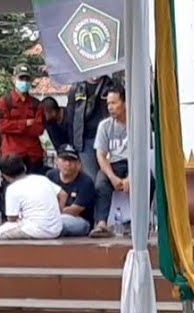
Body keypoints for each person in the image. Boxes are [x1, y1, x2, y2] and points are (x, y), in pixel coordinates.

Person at [0, 154, 64, 241]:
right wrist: (58, 212)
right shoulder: (42, 179)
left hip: (37, 230)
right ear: (25, 167)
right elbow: (63, 194)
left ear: (4, 175)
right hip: (57, 229)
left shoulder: (12, 189)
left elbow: (12, 219)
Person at [90, 86, 131, 237]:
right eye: (108, 104)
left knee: (149, 181)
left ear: (125, 103)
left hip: (133, 163)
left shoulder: (138, 123)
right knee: (101, 182)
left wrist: (130, 178)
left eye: (114, 103)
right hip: (113, 164)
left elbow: (143, 153)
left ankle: (138, 221)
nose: (110, 107)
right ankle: (101, 223)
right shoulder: (105, 126)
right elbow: (101, 155)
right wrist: (113, 177)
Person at [0, 65, 46, 176]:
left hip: (33, 156)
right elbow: (2, 126)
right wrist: (26, 123)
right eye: (21, 78)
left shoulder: (36, 104)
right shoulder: (4, 102)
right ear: (13, 79)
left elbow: (39, 129)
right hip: (12, 156)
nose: (24, 82)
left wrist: (14, 127)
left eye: (27, 79)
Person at [65, 74, 114, 171]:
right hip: (84, 141)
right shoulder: (76, 88)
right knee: (91, 176)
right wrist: (73, 143)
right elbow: (70, 118)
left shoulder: (110, 85)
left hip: (107, 139)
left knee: (108, 175)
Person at [46, 144, 96, 237]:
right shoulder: (50, 176)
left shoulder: (86, 182)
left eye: (72, 160)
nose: (68, 164)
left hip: (81, 220)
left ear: (79, 164)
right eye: (64, 160)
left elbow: (74, 210)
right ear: (56, 161)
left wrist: (51, 212)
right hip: (53, 217)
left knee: (57, 224)